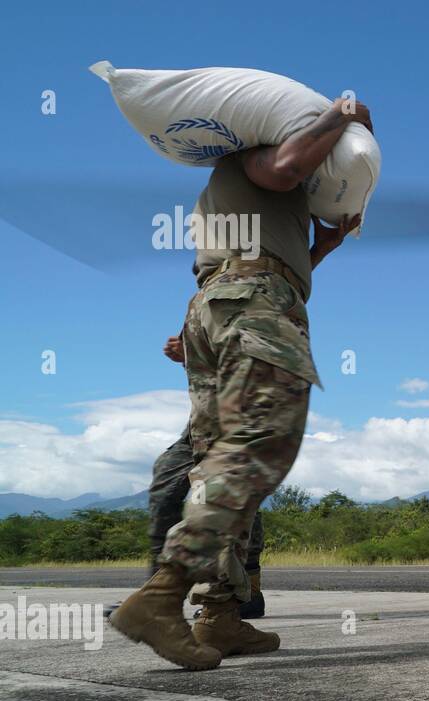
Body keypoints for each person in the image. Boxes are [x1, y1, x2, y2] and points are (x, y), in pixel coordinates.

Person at [110, 96, 372, 670]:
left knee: (219, 465)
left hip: (219, 304)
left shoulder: (244, 199)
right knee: (258, 445)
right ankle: (162, 595)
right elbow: (286, 169)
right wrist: (344, 116)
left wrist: (318, 249)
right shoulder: (255, 159)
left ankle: (220, 614)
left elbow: (265, 257)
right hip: (251, 305)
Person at [148, 334, 269, 619]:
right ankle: (157, 596)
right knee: (164, 488)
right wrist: (187, 357)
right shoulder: (199, 301)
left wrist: (191, 354)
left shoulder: (261, 296)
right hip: (200, 422)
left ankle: (247, 593)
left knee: (234, 498)